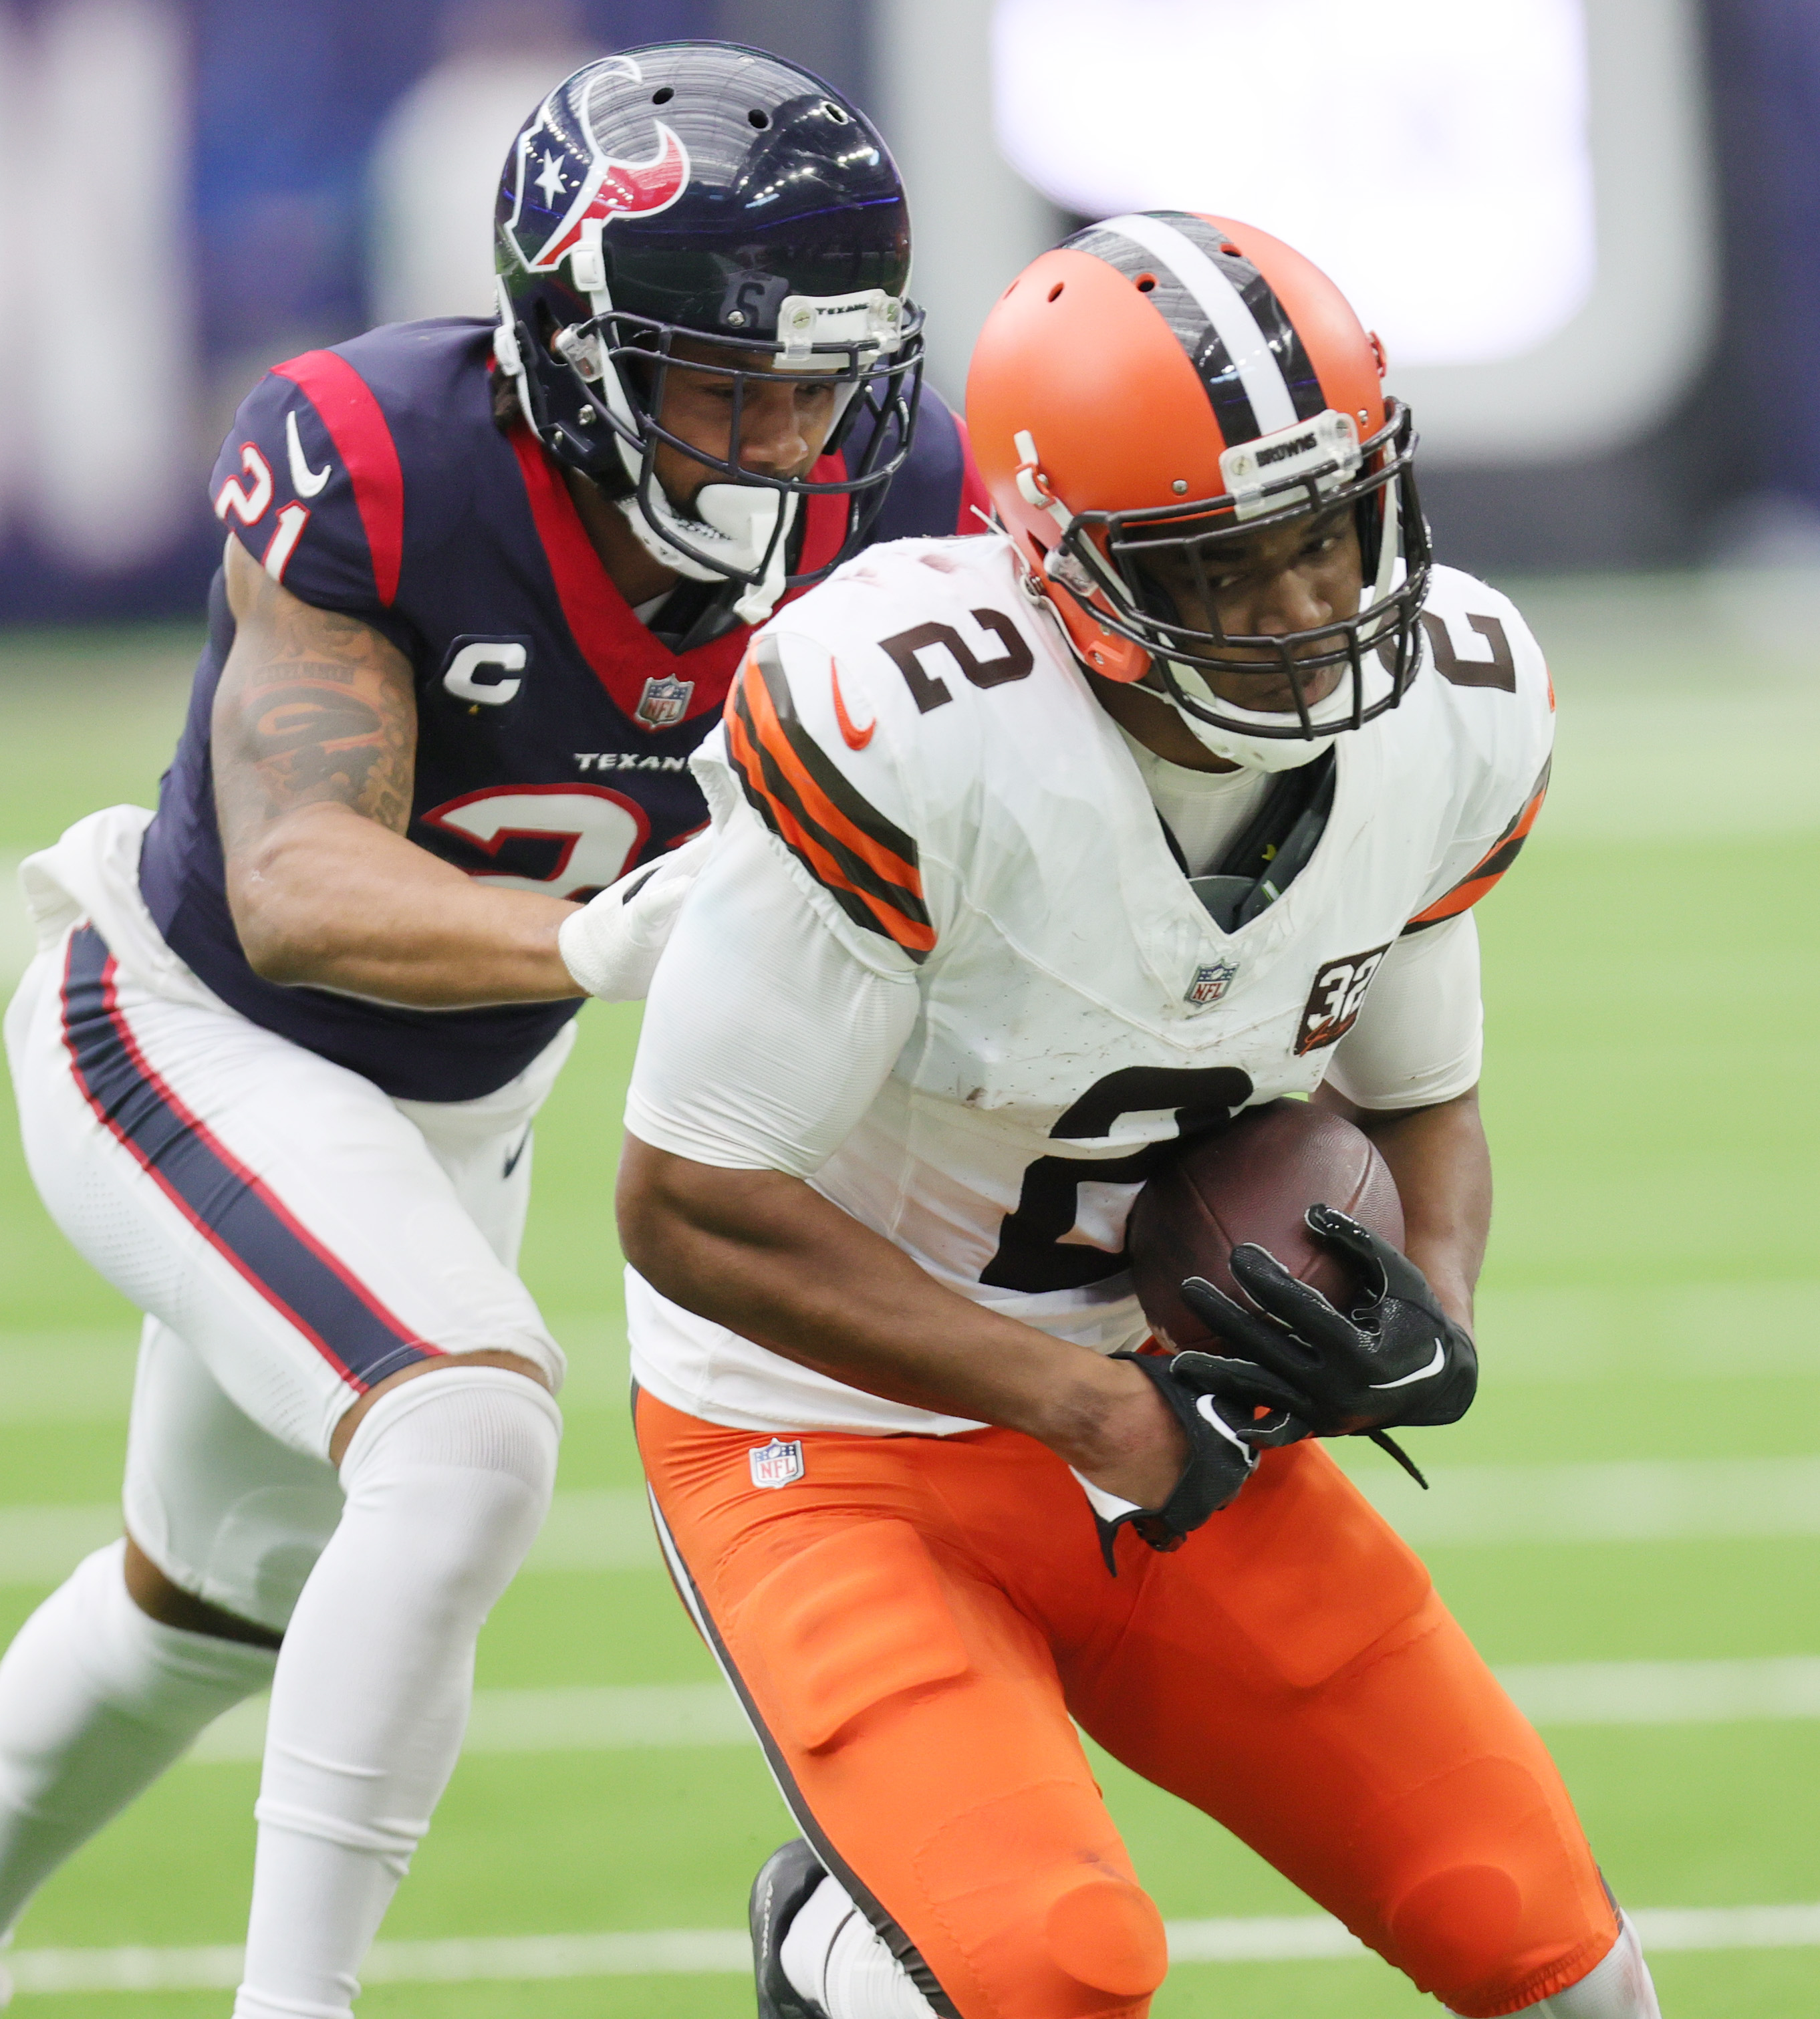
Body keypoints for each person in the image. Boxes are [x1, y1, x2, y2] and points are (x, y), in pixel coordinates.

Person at [0, 41, 985, 2018]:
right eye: (725, 375)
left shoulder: (899, 495)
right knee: (462, 1431)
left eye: (821, 376)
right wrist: (600, 937)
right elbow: (295, 882)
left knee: (205, 1611)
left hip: (453, 1104)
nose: (783, 432)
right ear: (569, 344)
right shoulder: (380, 450)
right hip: (187, 1022)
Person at [615, 211, 1663, 2019]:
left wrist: (1434, 1303)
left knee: (1546, 1948)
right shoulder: (917, 731)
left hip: (1171, 1415)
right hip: (836, 1436)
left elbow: (1421, 1099)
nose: (1296, 613)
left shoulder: (1448, 715)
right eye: (1218, 567)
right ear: (1060, 567)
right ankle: (836, 1939)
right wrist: (1084, 1406)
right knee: (1052, 1973)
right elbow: (687, 1205)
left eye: (1323, 536)